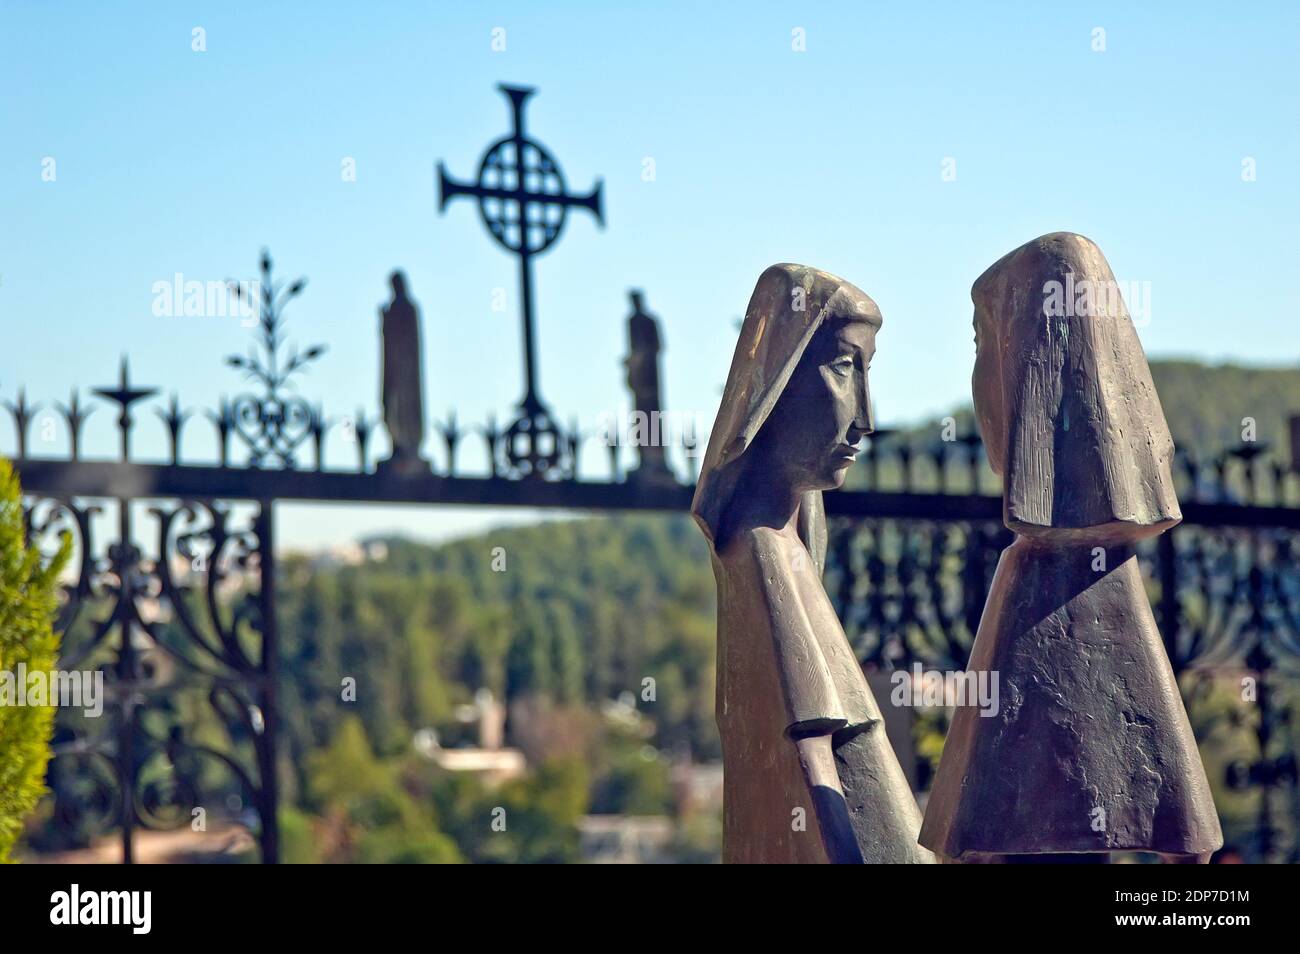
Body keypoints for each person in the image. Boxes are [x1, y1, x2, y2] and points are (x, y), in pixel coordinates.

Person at [919, 233, 1222, 863]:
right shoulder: (1093, 573)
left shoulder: (1053, 578)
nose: (978, 381)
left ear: (1031, 359)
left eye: (984, 345)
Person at [691, 263, 931, 864]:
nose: (866, 418)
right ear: (779, 378)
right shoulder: (762, 545)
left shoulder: (789, 536)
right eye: (846, 368)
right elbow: (810, 749)